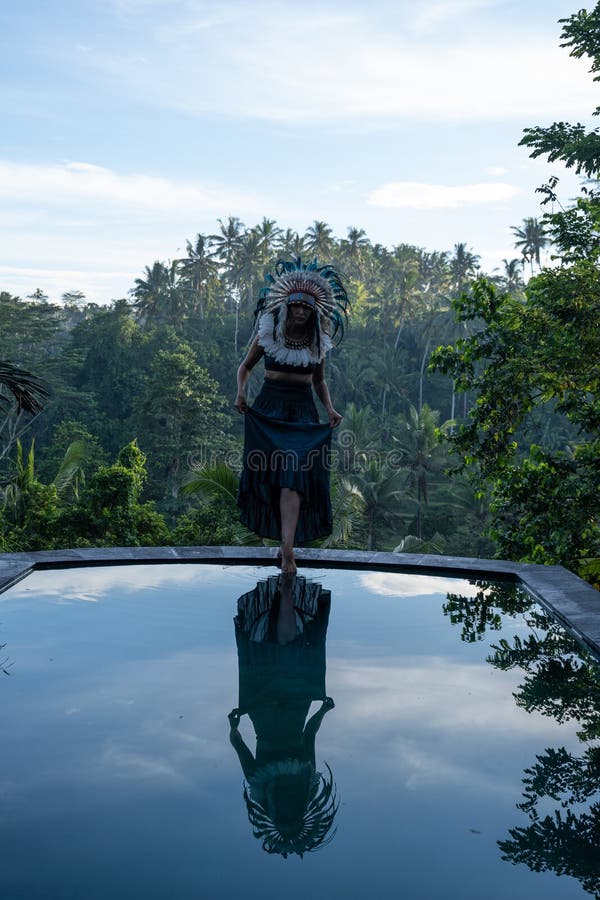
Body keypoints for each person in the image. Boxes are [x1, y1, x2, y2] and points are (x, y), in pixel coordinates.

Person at [235, 258, 349, 573]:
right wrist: (241, 392)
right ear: (287, 307)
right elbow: (245, 367)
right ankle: (285, 545)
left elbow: (319, 380)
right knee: (273, 480)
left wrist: (329, 408)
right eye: (296, 306)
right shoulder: (268, 334)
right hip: (269, 410)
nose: (300, 312)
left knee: (293, 479)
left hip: (302, 414)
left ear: (313, 313)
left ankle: (287, 551)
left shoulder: (317, 343)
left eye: (306, 309)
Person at [228, 573, 338, 858]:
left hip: (267, 704)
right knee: (289, 644)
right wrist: (323, 709)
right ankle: (284, 592)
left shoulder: (261, 784)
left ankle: (281, 593)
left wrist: (234, 728)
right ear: (299, 811)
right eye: (293, 816)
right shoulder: (304, 775)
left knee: (268, 645)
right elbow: (310, 736)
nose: (288, 811)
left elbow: (241, 750)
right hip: (292, 701)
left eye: (284, 817)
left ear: (276, 814)